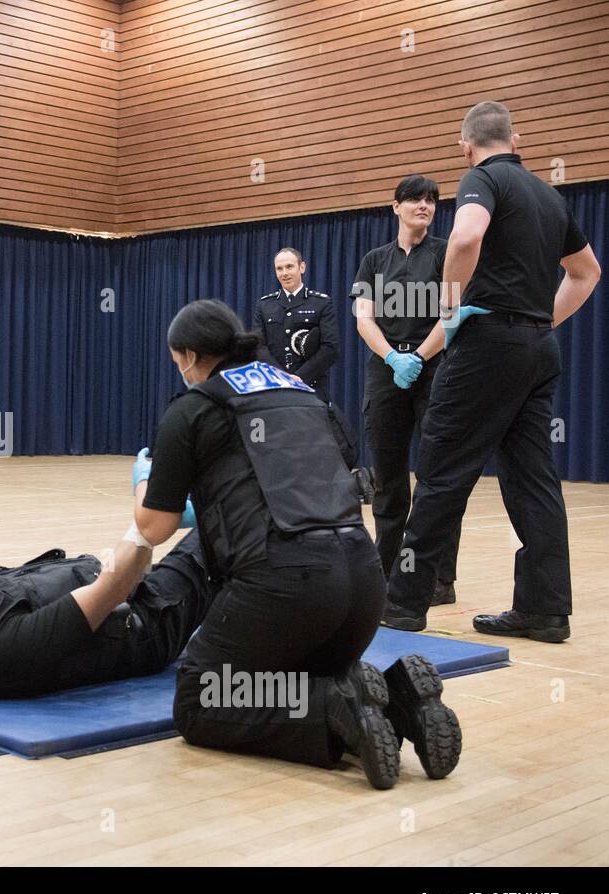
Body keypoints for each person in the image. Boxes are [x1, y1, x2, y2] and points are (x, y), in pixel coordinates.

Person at [139, 299, 458, 789]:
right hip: (363, 580)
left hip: (288, 586)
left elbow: (155, 528)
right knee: (298, 672)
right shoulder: (304, 392)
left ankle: (334, 713)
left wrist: (143, 484)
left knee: (201, 699)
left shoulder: (195, 408)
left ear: (186, 356)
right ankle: (397, 700)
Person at [382, 102, 601, 643]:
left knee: (441, 471)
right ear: (515, 139)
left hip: (488, 348)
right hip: (537, 349)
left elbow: (464, 238)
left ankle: (403, 606)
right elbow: (587, 272)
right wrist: (539, 318)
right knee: (534, 479)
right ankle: (545, 610)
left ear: (466, 145)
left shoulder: (481, 179)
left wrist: (450, 305)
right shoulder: (550, 196)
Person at [0, 530, 209, 705]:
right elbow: (112, 590)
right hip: (148, 619)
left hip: (120, 586)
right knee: (220, 533)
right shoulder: (2, 653)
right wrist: (146, 520)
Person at [351, 175, 462, 606]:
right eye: (415, 199)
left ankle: (438, 578)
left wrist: (418, 356)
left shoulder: (445, 254)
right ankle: (386, 569)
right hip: (386, 375)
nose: (425, 205)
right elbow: (364, 318)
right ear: (395, 206)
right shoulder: (374, 260)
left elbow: (452, 315)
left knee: (438, 479)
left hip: (434, 372)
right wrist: (393, 358)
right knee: (389, 480)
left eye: (432, 200)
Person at [252, 248, 338, 400]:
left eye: (289, 267)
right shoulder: (264, 305)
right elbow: (259, 347)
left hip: (311, 386)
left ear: (302, 267)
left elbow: (330, 348)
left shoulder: (321, 303)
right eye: (279, 268)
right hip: (275, 388)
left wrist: (299, 377)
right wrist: (281, 378)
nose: (284, 273)